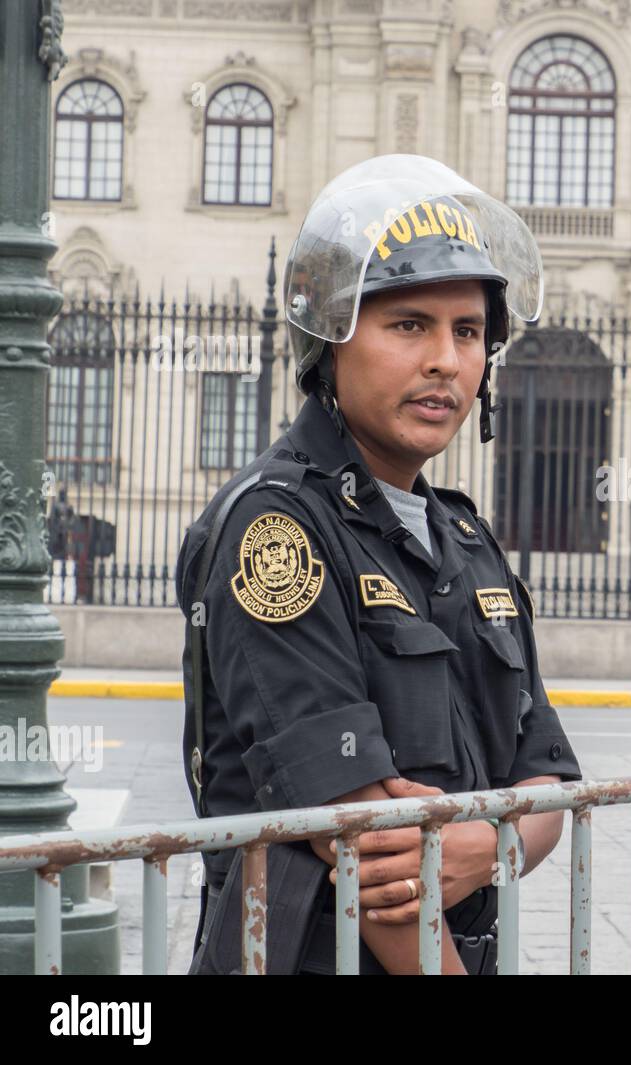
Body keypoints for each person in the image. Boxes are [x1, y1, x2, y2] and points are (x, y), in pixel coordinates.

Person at [176, 155, 581, 975]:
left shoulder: (462, 539)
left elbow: (549, 782)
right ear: (331, 338)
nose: (446, 360)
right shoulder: (277, 527)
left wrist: (489, 844)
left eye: (468, 331)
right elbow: (364, 838)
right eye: (409, 325)